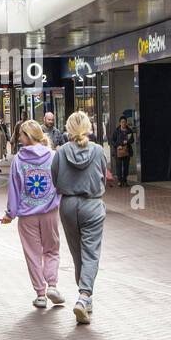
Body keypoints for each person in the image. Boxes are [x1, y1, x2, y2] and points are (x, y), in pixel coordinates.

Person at [0, 120, 65, 309]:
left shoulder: (18, 160)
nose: (19, 138)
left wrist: (10, 214)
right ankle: (52, 285)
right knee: (52, 250)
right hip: (50, 212)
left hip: (27, 215)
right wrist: (57, 198)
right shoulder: (53, 156)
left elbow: (13, 189)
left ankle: (41, 294)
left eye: (21, 134)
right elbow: (61, 181)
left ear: (28, 136)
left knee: (33, 254)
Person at [52, 111, 107, 324]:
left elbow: (54, 179)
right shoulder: (98, 151)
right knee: (91, 253)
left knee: (77, 253)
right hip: (92, 204)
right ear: (88, 127)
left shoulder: (61, 152)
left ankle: (85, 296)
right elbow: (102, 173)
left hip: (68, 205)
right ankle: (84, 297)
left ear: (68, 129)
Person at [110, 116, 134, 186]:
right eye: (122, 122)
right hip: (118, 151)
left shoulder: (129, 131)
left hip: (127, 151)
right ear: (120, 123)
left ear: (126, 123)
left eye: (125, 122)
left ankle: (125, 180)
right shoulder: (116, 131)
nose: (123, 123)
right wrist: (117, 146)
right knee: (119, 166)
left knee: (126, 166)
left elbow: (132, 140)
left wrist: (127, 142)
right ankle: (120, 181)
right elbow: (112, 141)